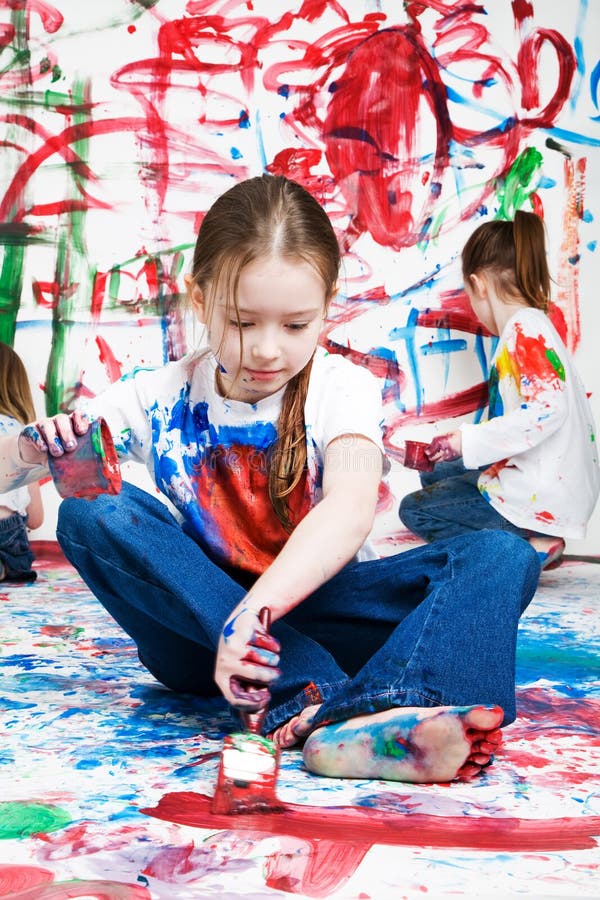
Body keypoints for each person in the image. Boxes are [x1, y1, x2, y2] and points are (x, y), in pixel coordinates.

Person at [0, 176, 539, 784]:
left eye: (295, 326)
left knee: (500, 554)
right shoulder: (155, 394)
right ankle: (325, 703)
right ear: (199, 299)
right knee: (91, 512)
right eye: (242, 322)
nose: (266, 351)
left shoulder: (344, 388)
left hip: (308, 615)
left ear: (327, 308)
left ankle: (396, 711)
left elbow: (352, 504)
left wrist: (254, 613)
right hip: (206, 638)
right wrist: (27, 447)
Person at [399, 211, 600, 570]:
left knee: (415, 509)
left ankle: (529, 545)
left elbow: (547, 410)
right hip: (545, 477)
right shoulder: (532, 325)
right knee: (435, 472)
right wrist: (461, 444)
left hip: (542, 493)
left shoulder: (524, 330)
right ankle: (525, 533)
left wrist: (464, 441)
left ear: (479, 286)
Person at [0, 342, 43, 581]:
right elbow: (36, 519)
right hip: (7, 531)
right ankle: (6, 565)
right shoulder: (23, 436)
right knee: (16, 557)